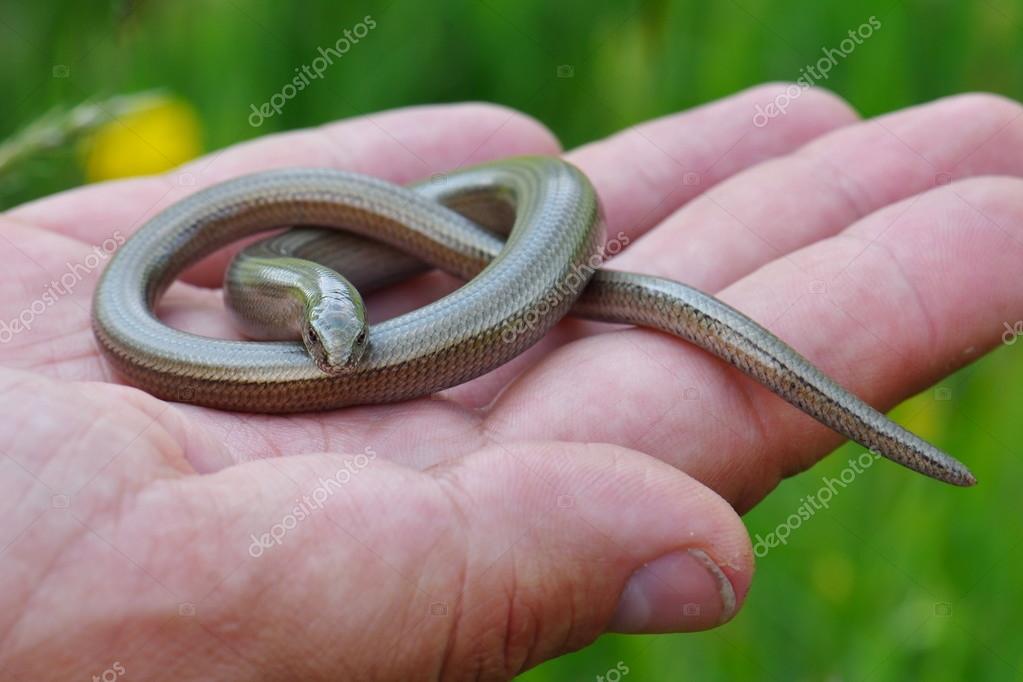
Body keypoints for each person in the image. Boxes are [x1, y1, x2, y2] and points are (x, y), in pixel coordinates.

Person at [2, 84, 1020, 680]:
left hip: (453, 240)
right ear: (305, 306)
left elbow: (354, 323)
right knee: (548, 268)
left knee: (553, 249)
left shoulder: (312, 300)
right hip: (336, 271)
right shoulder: (266, 289)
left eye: (342, 337)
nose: (341, 358)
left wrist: (527, 269)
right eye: (326, 338)